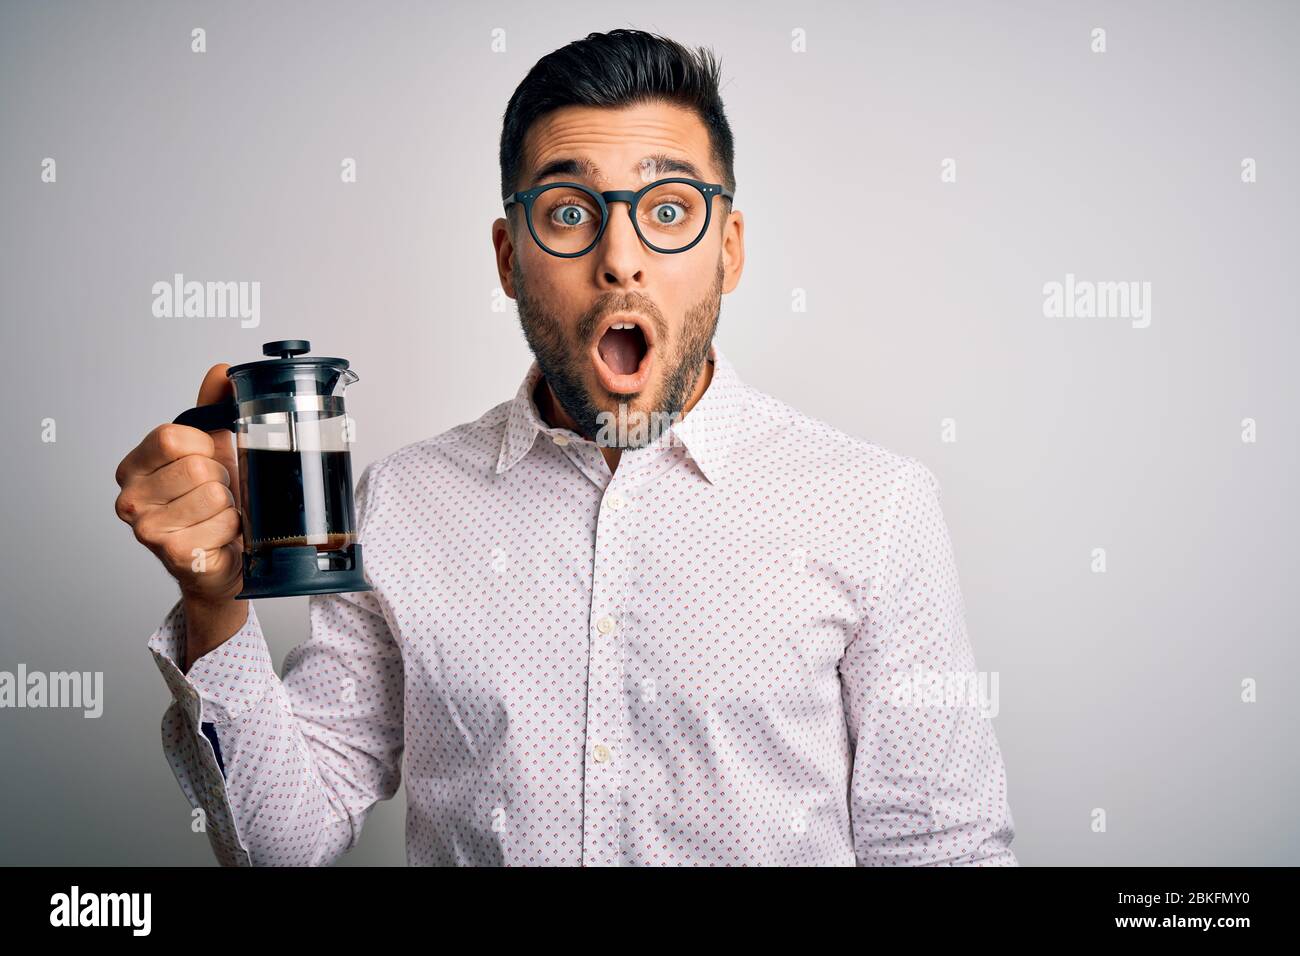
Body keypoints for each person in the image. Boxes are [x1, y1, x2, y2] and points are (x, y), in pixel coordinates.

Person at [114, 28, 1018, 866]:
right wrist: (213, 605)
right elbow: (285, 840)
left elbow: (944, 851)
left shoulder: (875, 507)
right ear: (509, 258)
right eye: (570, 211)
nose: (620, 257)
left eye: (669, 210)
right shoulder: (398, 505)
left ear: (729, 252)